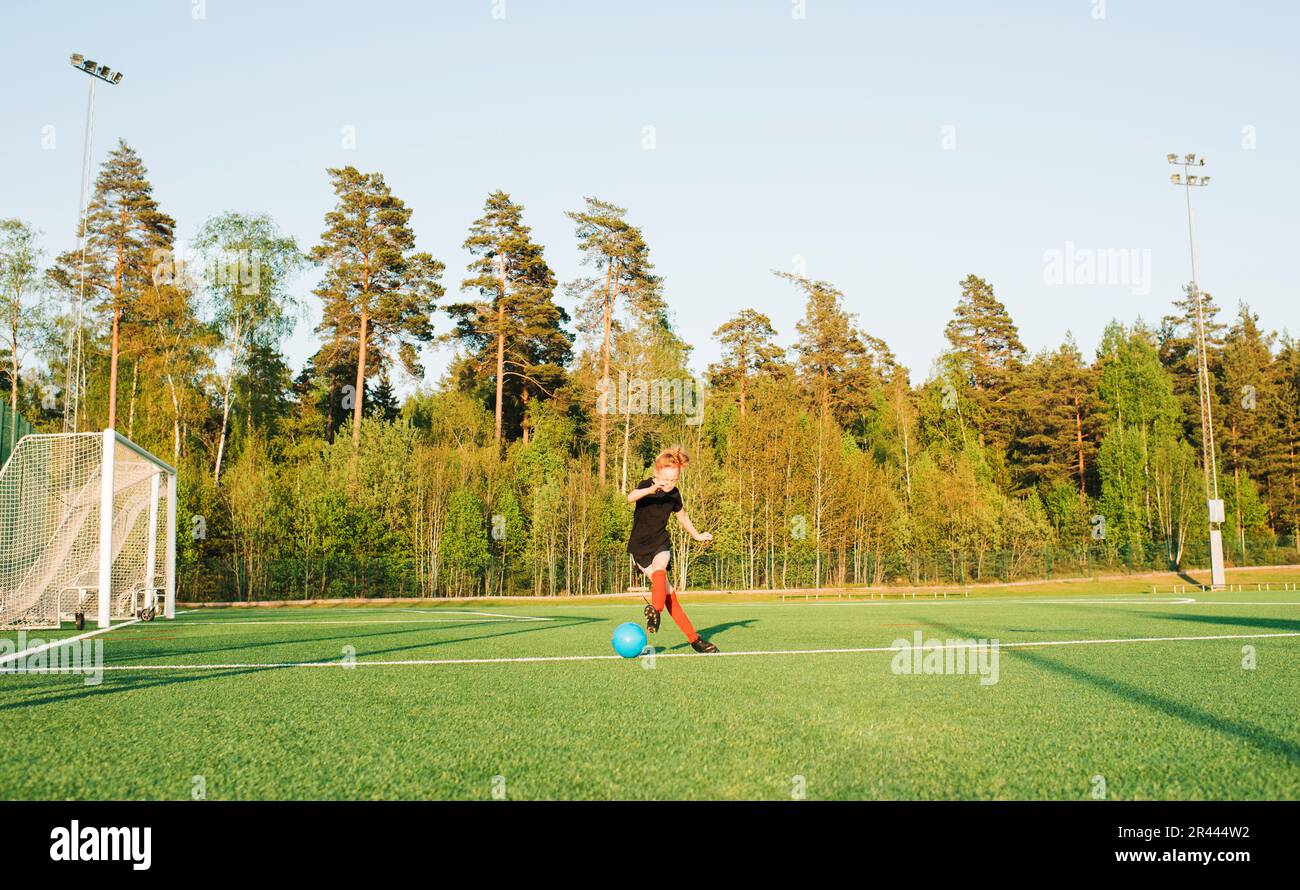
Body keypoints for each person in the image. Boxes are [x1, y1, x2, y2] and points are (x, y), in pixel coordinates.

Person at [626, 446, 718, 653]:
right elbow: (630, 497)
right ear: (656, 474)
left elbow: (682, 516)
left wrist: (696, 535)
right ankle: (694, 639)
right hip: (639, 548)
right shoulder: (646, 486)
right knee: (670, 595)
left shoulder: (674, 495)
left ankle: (656, 611)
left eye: (674, 481)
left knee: (661, 566)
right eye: (665, 480)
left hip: (660, 542)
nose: (669, 485)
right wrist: (650, 490)